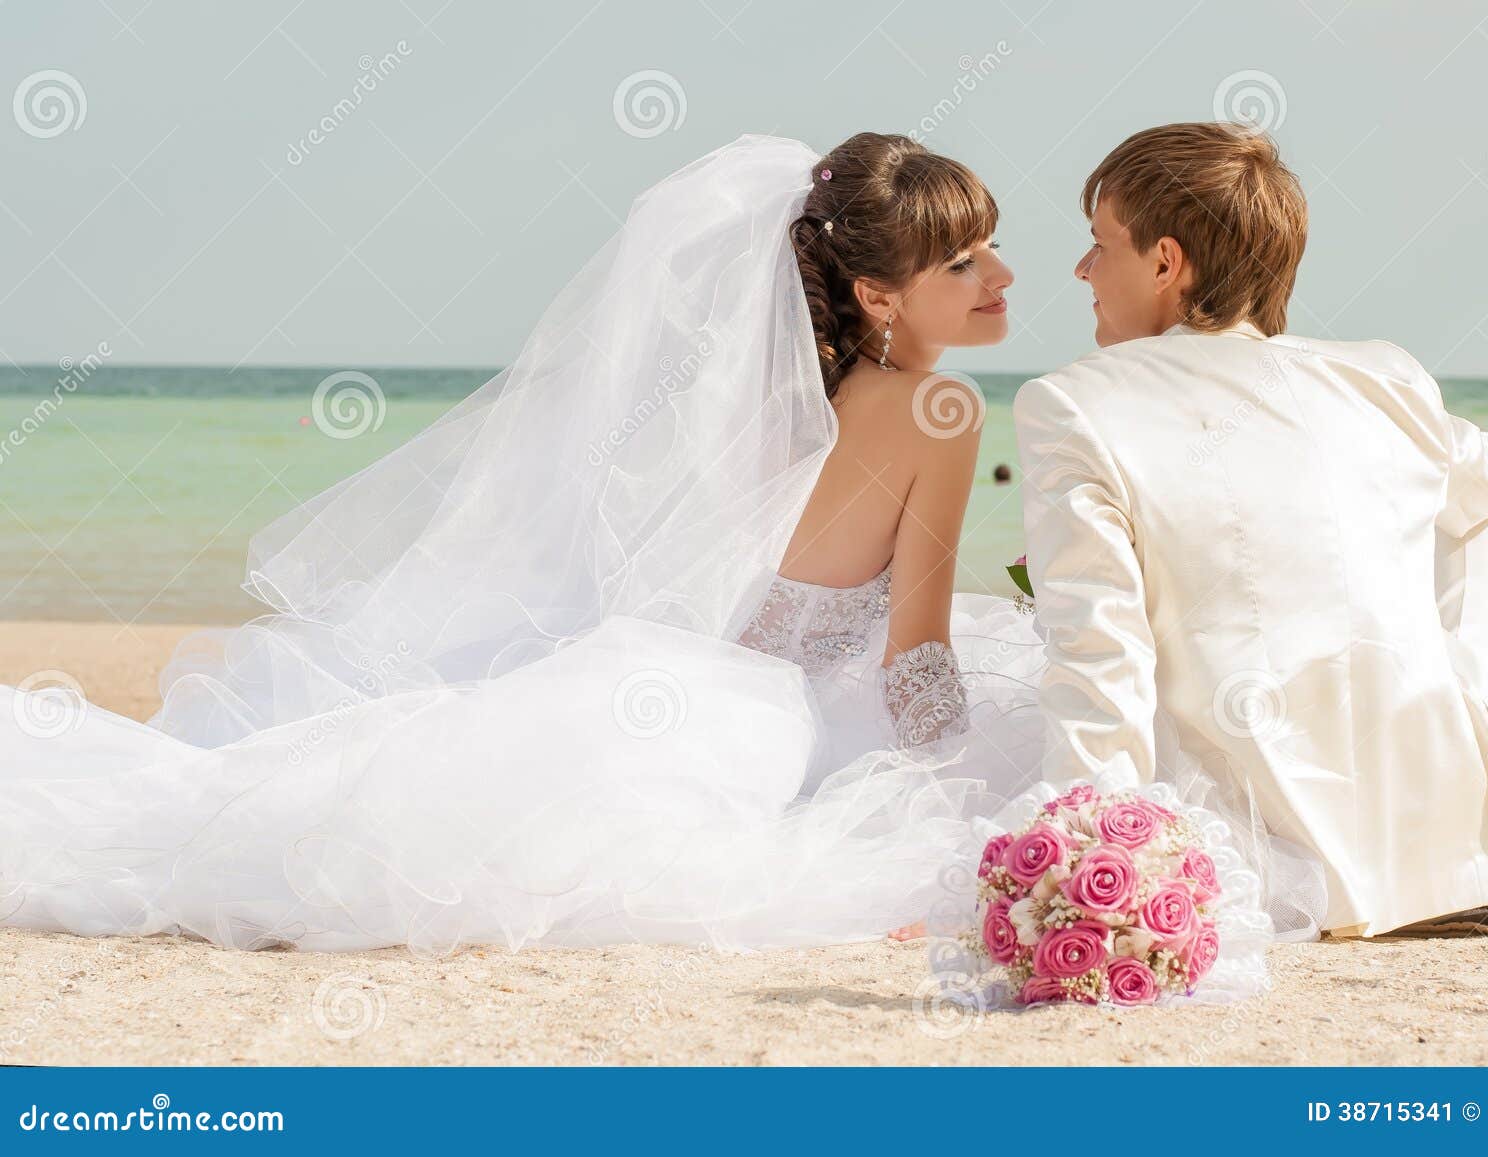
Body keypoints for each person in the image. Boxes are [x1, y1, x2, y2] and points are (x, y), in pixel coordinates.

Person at [0, 134, 1060, 956]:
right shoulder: (942, 412)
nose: (1001, 272)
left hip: (684, 682)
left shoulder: (777, 398)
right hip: (774, 720)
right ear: (877, 293)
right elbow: (912, 650)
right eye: (962, 259)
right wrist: (944, 784)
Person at [1015, 122, 1488, 941]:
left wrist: (1088, 857)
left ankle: (1354, 854)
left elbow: (1098, 651)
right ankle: (1465, 825)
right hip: (1436, 813)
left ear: (1164, 262)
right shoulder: (1379, 375)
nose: (1081, 269)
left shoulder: (1071, 402)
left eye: (1098, 244)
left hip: (1263, 828)